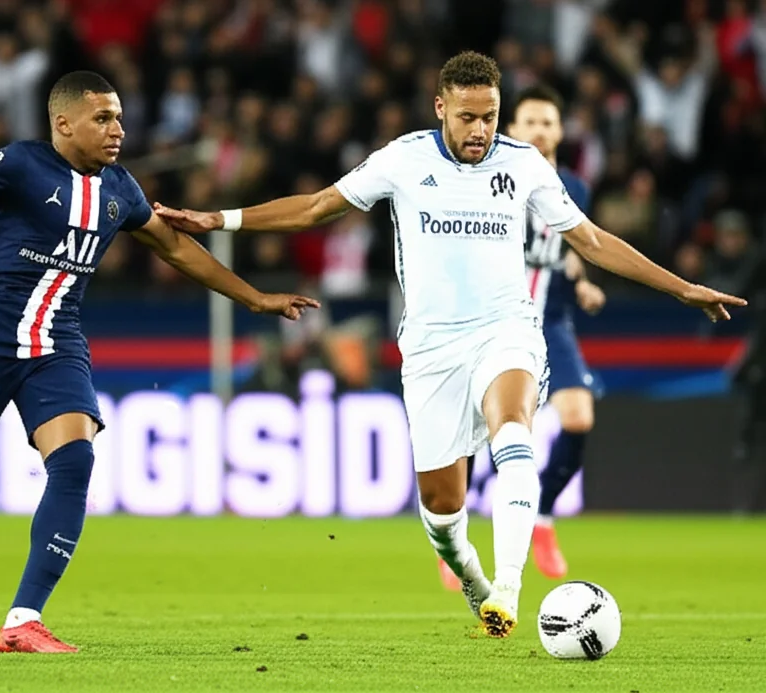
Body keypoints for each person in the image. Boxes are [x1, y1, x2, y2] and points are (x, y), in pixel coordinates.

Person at [154, 52, 744, 639]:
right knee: (441, 514)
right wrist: (220, 219)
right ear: (442, 108)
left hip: (505, 329)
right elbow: (315, 208)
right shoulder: (403, 160)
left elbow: (590, 240)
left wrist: (681, 287)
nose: (480, 130)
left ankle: (509, 590)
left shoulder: (526, 165)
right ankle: (474, 581)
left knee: (513, 428)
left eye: (490, 115)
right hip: (433, 350)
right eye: (467, 116)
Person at [0, 71, 319, 654]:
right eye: (103, 118)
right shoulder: (19, 165)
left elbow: (175, 247)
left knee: (73, 464)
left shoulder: (121, 190)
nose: (117, 129)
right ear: (63, 124)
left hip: (57, 344)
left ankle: (23, 620)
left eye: (119, 117)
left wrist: (256, 298)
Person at [436, 84, 608, 590]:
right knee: (471, 427)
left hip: (551, 318)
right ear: (512, 129)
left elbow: (575, 243)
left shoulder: (574, 187)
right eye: (530, 121)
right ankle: (456, 535)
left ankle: (544, 517)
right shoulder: (489, 177)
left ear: (560, 131)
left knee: (578, 416)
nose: (540, 130)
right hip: (492, 318)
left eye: (549, 122)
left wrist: (582, 281)